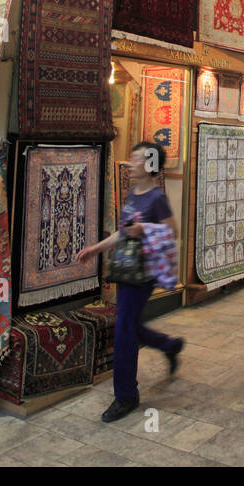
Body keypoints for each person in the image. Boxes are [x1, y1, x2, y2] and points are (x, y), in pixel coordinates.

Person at [75, 141, 184, 422]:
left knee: (123, 327)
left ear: (149, 165)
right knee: (130, 325)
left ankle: (126, 395)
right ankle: (169, 345)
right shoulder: (135, 194)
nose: (131, 163)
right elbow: (124, 233)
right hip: (125, 269)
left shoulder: (156, 197)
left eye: (136, 159)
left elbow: (173, 231)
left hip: (143, 272)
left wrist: (143, 229)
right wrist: (96, 249)